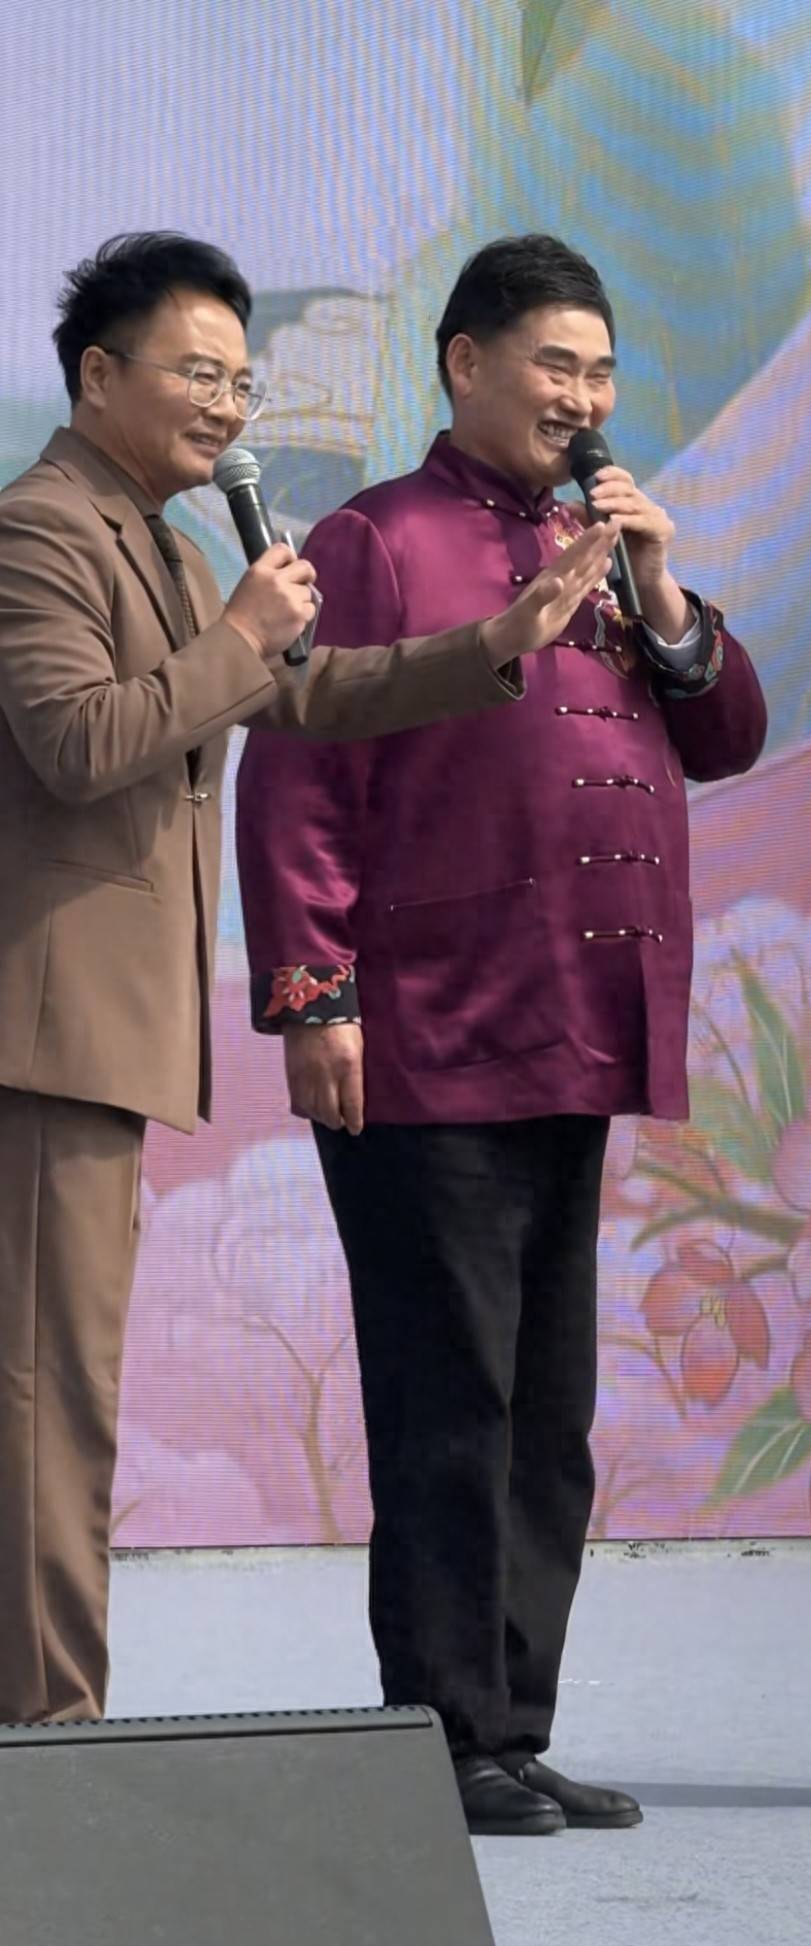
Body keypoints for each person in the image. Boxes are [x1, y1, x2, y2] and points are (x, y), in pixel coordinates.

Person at [0, 231, 618, 1730]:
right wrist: (236, 636)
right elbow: (79, 741)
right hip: (48, 1036)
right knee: (44, 1402)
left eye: (240, 381)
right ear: (99, 376)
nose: (227, 408)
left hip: (107, 1040)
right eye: (196, 374)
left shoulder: (165, 543)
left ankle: (50, 1724)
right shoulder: (39, 531)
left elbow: (316, 690)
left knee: (64, 1398)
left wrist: (496, 642)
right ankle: (49, 1735)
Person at [235, 234, 767, 1836]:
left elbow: (728, 732)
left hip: (572, 1029)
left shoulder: (602, 548)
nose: (583, 398)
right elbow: (298, 777)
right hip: (427, 1032)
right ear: (465, 363)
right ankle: (441, 1731)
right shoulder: (377, 538)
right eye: (555, 364)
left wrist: (658, 589)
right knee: (448, 1401)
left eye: (600, 372)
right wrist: (315, 994)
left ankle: (514, 1725)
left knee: (547, 1413)